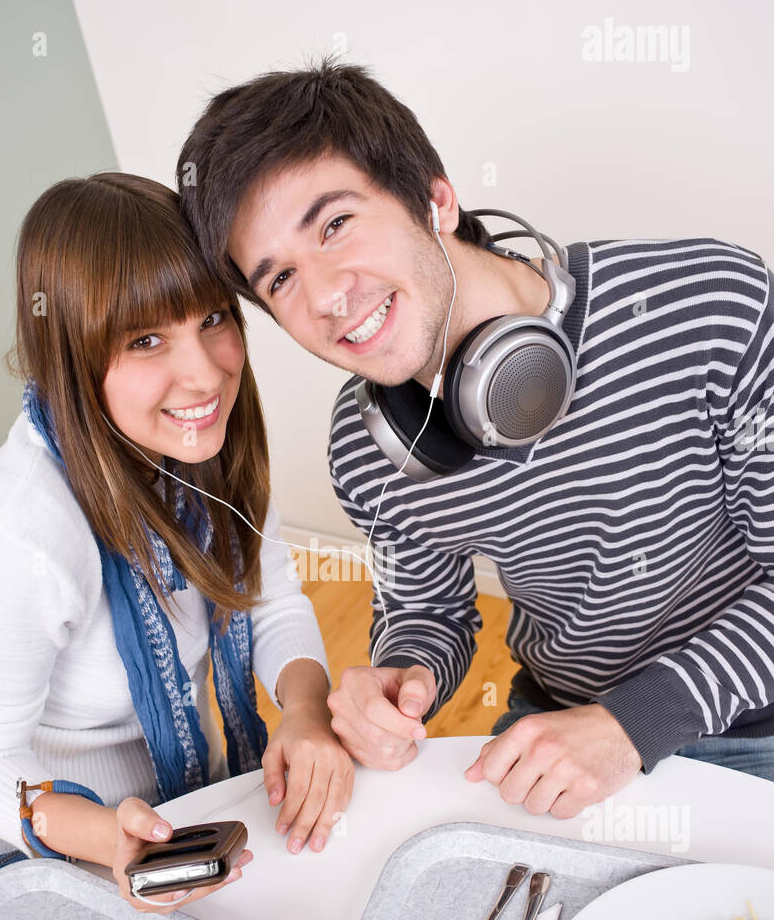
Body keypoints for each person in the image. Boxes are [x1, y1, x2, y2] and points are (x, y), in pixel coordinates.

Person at [173, 58, 774, 820]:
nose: (325, 295)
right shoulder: (368, 449)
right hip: (557, 718)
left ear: (436, 200)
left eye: (335, 224)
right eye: (280, 279)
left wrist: (632, 725)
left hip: (755, 718)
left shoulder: (711, 305)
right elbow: (429, 609)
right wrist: (405, 673)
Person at [0, 172, 353, 911]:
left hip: (181, 819)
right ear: (73, 357)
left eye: (214, 318)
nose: (205, 374)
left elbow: (271, 598)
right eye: (147, 339)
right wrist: (105, 839)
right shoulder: (21, 534)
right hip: (51, 854)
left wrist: (307, 712)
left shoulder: (198, 446)